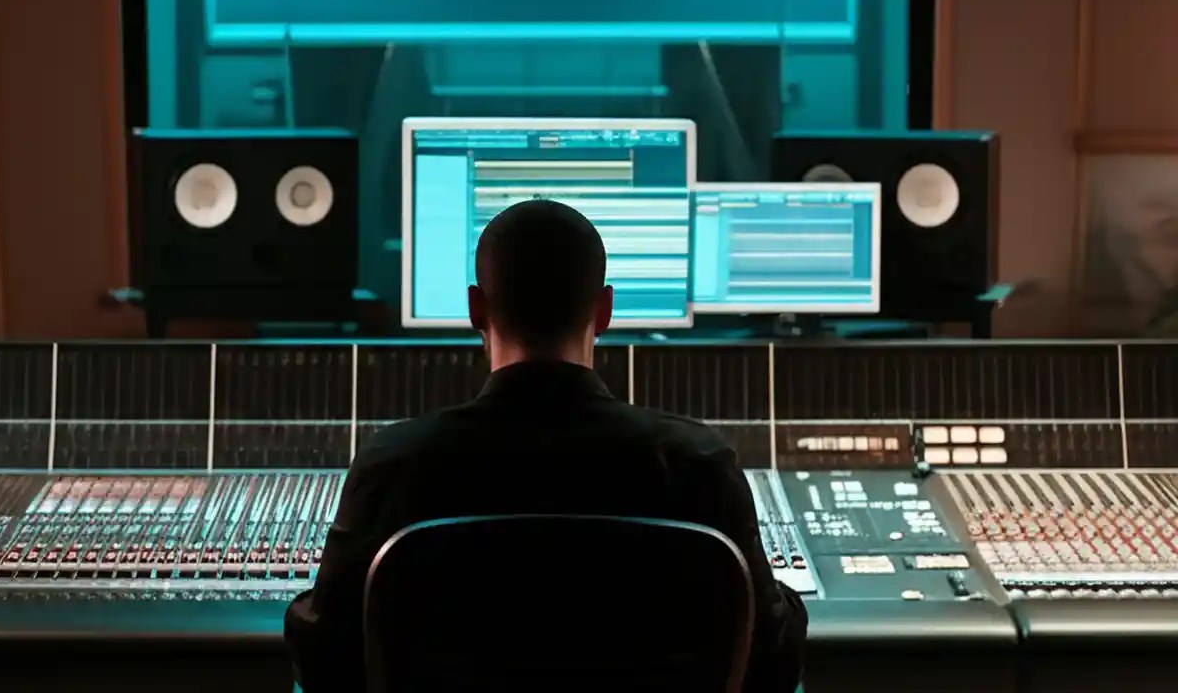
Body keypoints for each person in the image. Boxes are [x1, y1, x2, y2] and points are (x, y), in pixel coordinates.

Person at [284, 199, 808, 692]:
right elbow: (772, 660)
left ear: (475, 308)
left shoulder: (394, 467)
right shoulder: (699, 467)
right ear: (604, 310)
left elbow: (326, 658)